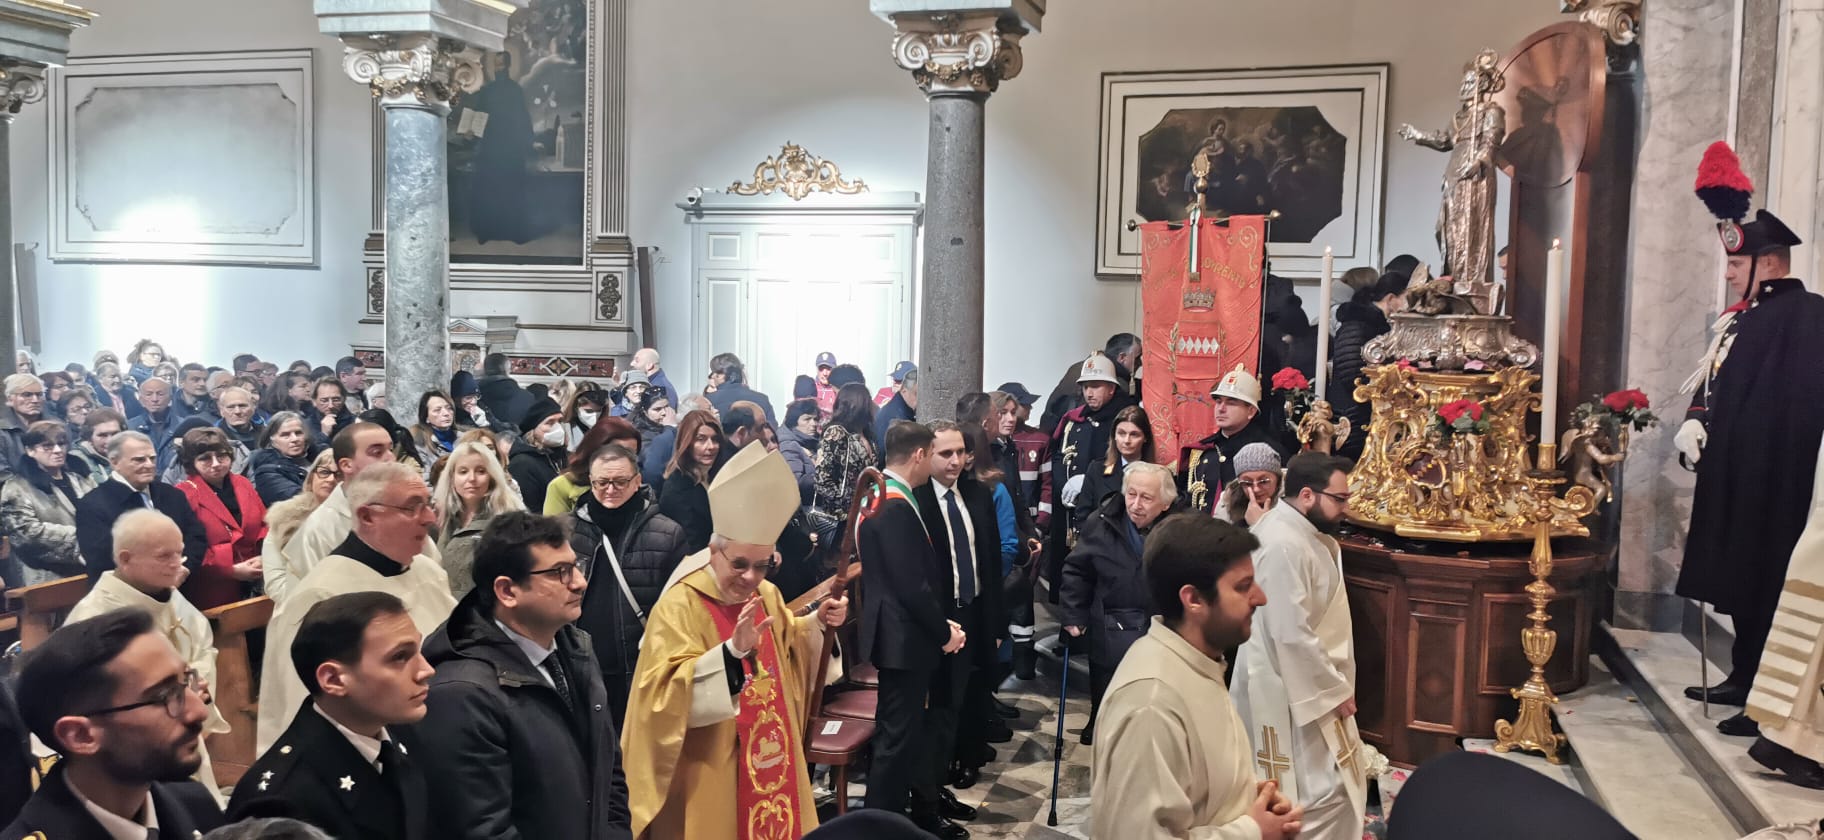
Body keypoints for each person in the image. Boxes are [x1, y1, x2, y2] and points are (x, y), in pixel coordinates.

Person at [623, 443, 846, 838]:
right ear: (713, 552)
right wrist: (731, 654)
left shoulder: (767, 596)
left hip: (770, 756)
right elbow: (658, 697)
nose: (750, 577)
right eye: (739, 564)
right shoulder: (680, 605)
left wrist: (819, 625)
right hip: (709, 764)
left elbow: (791, 649)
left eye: (761, 565)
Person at [1678, 209, 1824, 737]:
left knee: (1765, 583)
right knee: (1740, 577)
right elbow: (1718, 381)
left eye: (1737, 262)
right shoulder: (1745, 317)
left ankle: (1764, 700)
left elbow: (1800, 403)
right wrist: (1697, 424)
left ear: (1769, 262)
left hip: (1774, 479)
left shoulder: (1806, 315)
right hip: (1737, 472)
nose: (1728, 273)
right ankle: (1743, 675)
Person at [416, 512, 633, 839]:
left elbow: (609, 772)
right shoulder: (461, 693)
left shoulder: (576, 648)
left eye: (576, 565)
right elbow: (483, 828)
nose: (579, 582)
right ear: (507, 591)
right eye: (560, 572)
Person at [1090, 514, 1297, 840]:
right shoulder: (1151, 704)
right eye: (1243, 587)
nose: (1260, 597)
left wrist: (1251, 800)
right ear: (1194, 599)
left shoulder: (1198, 662)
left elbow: (1194, 783)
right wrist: (1253, 830)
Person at [257, 462, 457, 753]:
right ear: (367, 515)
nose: (428, 518)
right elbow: (301, 705)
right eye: (412, 507)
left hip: (444, 733)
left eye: (428, 505)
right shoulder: (321, 595)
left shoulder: (427, 570)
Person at [227, 592, 434, 840]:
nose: (426, 670)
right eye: (400, 657)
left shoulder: (401, 734)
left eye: (418, 651)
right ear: (333, 679)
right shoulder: (281, 801)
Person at [1234, 453, 1367, 840]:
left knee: (1327, 785)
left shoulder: (1300, 532)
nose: (1346, 507)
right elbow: (1289, 631)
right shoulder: (1283, 543)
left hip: (1302, 676)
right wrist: (1332, 691)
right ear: (1307, 495)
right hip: (1285, 684)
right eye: (1339, 499)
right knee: (1313, 791)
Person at [5, 608, 226, 838]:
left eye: (187, 681)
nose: (198, 712)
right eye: (165, 696)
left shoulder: (194, 802)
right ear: (80, 735)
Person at [68, 509, 233, 804]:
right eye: (164, 556)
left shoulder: (163, 592)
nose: (177, 566)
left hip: (179, 735)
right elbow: (99, 700)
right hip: (133, 751)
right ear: (126, 558)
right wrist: (176, 695)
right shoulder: (95, 619)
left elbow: (201, 644)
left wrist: (194, 685)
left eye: (179, 554)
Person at [860, 421, 970, 837]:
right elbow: (910, 584)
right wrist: (944, 633)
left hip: (900, 632)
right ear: (920, 455)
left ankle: (887, 820)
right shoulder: (893, 504)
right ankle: (877, 827)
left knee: (900, 735)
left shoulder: (883, 493)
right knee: (895, 739)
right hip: (900, 637)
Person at [913, 422, 1006, 811]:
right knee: (940, 705)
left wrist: (997, 620)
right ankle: (931, 786)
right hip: (940, 616)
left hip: (976, 608)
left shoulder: (977, 495)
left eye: (961, 453)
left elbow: (991, 559)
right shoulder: (916, 500)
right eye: (945, 454)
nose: (955, 461)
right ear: (927, 456)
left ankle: (962, 763)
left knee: (971, 693)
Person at [1061, 460, 1182, 745]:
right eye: (1131, 494)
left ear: (1165, 504)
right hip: (1110, 620)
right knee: (1106, 685)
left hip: (1159, 626)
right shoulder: (1100, 522)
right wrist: (1073, 614)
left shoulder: (1181, 529)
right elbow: (1076, 570)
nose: (1136, 504)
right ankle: (1100, 721)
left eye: (1146, 497)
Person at [567, 444, 687, 726]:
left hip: (641, 665)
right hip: (581, 662)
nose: (610, 489)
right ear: (591, 482)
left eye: (620, 481)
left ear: (637, 482)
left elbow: (679, 608)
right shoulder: (565, 530)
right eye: (601, 482)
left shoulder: (667, 534)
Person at [276, 422, 438, 604]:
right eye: (377, 453)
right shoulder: (320, 530)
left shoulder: (404, 508)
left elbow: (432, 569)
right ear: (346, 465)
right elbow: (316, 604)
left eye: (391, 449)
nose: (390, 458)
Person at [1047, 352, 1136, 595]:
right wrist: (1061, 483)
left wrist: (1089, 482)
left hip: (1102, 506)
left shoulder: (1122, 419)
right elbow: (1058, 454)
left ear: (1111, 388)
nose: (1089, 392)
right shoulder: (1075, 419)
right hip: (1068, 507)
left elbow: (1130, 461)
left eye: (1095, 386)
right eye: (1086, 386)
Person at [74, 430, 208, 579]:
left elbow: (196, 537)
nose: (149, 465)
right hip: (127, 594)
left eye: (152, 458)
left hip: (181, 585)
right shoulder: (92, 505)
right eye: (139, 460)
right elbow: (102, 559)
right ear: (114, 462)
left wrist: (183, 568)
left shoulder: (172, 494)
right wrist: (158, 577)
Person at [173, 427, 269, 610]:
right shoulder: (182, 494)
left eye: (222, 456)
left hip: (258, 577)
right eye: (205, 458)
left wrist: (263, 556)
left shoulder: (242, 483)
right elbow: (187, 549)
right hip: (214, 588)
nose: (216, 464)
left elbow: (264, 524)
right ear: (191, 462)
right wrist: (231, 570)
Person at [1179, 365, 1288, 517]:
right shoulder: (1204, 449)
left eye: (1231, 402)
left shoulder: (1271, 452)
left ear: (1251, 411)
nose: (1221, 408)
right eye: (1218, 401)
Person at [0, 421, 95, 586]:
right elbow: (26, 534)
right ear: (30, 451)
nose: (58, 450)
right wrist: (83, 537)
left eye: (61, 444)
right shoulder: (16, 488)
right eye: (47, 446)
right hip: (46, 577)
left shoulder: (81, 478)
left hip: (93, 565)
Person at [1328, 273, 1409, 460]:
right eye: (1407, 300)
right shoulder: (1358, 324)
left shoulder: (1380, 327)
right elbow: (1353, 375)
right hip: (1354, 418)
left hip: (1371, 416)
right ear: (1391, 299)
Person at [432, 440, 525, 599]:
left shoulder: (510, 518)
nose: (471, 478)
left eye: (481, 471)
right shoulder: (442, 517)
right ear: (452, 477)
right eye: (463, 471)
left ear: (492, 476)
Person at [262, 449, 340, 600]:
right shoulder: (284, 517)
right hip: (300, 607)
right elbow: (275, 584)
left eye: (338, 475)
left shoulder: (361, 518)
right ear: (311, 477)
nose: (331, 479)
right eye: (324, 472)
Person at [1042, 334, 1142, 434]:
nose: (1140, 363)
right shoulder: (1119, 383)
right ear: (1122, 357)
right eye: (1137, 358)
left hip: (1053, 435)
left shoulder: (1077, 368)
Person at [659, 409, 726, 554]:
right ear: (687, 443)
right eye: (701, 439)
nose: (710, 446)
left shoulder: (718, 477)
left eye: (715, 439)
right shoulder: (676, 487)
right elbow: (691, 544)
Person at [1081, 404, 1156, 518]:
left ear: (1145, 438)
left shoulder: (1158, 475)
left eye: (1134, 435)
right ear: (1114, 436)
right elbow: (1082, 516)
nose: (1126, 440)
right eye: (1121, 433)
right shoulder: (1096, 470)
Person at [507, 397, 567, 513]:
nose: (558, 428)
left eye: (560, 421)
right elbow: (530, 510)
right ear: (532, 430)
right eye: (550, 423)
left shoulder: (558, 456)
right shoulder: (522, 463)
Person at [249, 411, 321, 505]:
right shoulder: (266, 472)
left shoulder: (318, 456)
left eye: (298, 433)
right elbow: (300, 503)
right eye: (285, 435)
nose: (294, 439)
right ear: (272, 439)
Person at [703, 353, 776, 425]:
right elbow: (771, 430)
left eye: (713, 372)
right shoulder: (762, 399)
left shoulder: (708, 401)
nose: (712, 376)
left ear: (720, 376)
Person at [1221, 443, 1283, 526]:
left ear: (1278, 479)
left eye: (1264, 481)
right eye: (1247, 483)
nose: (1256, 489)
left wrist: (1261, 523)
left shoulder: (1292, 503)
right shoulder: (1228, 499)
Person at [408, 390, 468, 474]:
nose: (446, 413)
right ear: (426, 418)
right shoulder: (420, 444)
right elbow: (424, 480)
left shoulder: (466, 438)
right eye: (437, 410)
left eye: (449, 408)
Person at [0, 372, 46, 478]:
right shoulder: (3, 432)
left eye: (39, 395)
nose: (35, 400)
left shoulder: (54, 427)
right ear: (10, 399)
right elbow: (2, 475)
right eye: (27, 395)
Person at [778, 398, 821, 507]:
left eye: (815, 419)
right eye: (807, 419)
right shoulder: (788, 445)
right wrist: (822, 471)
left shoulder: (810, 442)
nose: (813, 424)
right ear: (794, 422)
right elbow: (796, 483)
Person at [69, 407, 125, 486]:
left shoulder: (131, 452)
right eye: (102, 435)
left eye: (115, 434)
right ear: (89, 438)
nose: (110, 440)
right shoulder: (77, 461)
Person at [213, 386, 264, 473]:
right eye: (231, 407)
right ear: (222, 411)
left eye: (242, 406)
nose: (237, 411)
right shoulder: (214, 438)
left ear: (253, 407)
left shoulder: (267, 433)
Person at [301, 377, 356, 446]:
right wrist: (324, 435)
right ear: (314, 401)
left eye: (336, 400)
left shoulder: (356, 423)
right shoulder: (305, 426)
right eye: (324, 400)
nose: (331, 405)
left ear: (344, 399)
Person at [874, 367, 918, 443]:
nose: (920, 400)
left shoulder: (899, 409)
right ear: (904, 391)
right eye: (916, 394)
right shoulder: (897, 419)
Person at [812, 351, 839, 416]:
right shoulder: (810, 387)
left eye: (829, 369)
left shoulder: (839, 389)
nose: (825, 373)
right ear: (817, 369)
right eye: (821, 368)